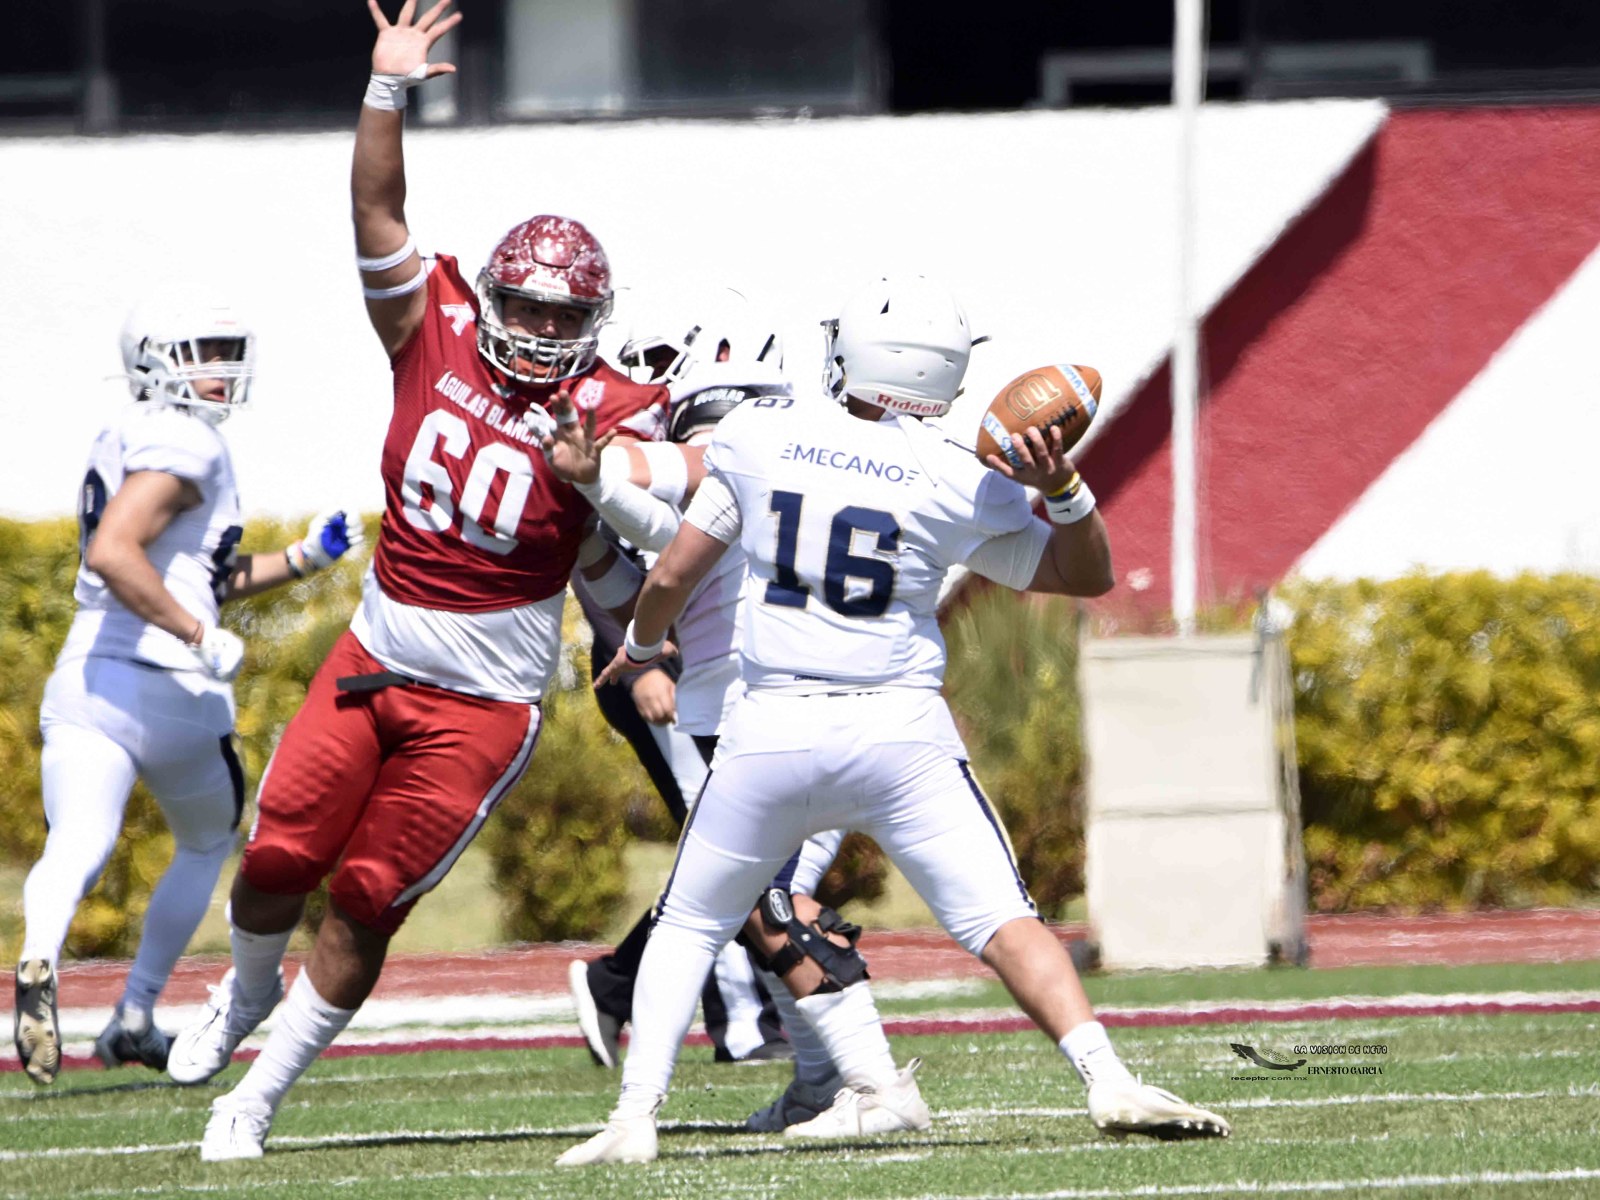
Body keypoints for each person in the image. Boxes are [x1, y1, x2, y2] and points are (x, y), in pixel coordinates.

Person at [557, 275, 1232, 1166]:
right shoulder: (958, 478)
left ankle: (635, 1118)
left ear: (853, 353)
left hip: (774, 724)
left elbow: (675, 575)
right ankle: (1105, 1075)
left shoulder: (766, 435)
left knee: (690, 922)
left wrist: (642, 648)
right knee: (1003, 919)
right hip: (897, 733)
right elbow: (1083, 574)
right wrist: (1064, 489)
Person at [169, 0, 669, 1161]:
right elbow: (375, 210)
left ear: (594, 322)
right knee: (279, 863)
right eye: (530, 305)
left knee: (367, 896)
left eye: (565, 315)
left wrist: (632, 610)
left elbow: (676, 491)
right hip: (375, 656)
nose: (544, 329)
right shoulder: (431, 325)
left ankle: (255, 1099)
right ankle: (241, 997)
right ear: (492, 294)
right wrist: (387, 87)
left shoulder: (608, 409)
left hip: (481, 707)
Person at [552, 348, 917, 1134]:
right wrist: (594, 494)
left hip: (797, 715)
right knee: (754, 899)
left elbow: (653, 521)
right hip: (762, 717)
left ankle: (863, 1081)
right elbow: (654, 543)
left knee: (754, 899)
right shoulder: (752, 468)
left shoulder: (765, 461)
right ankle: (837, 1082)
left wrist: (595, 478)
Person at [12, 300, 363, 1086]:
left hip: (86, 673)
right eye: (204, 349)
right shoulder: (188, 438)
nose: (222, 364)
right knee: (208, 842)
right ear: (156, 358)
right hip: (170, 685)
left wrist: (302, 558)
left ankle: (39, 953)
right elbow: (116, 551)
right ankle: (136, 1012)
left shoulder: (124, 435)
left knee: (77, 841)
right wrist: (196, 636)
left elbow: (192, 573)